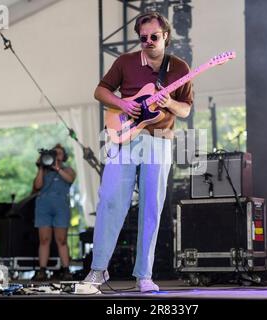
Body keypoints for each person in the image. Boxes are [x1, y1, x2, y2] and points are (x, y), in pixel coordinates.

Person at [83, 12, 193, 292]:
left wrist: (169, 102)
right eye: (143, 38)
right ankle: (98, 271)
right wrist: (122, 104)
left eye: (154, 37)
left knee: (152, 207)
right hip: (124, 139)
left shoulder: (180, 68)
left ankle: (144, 275)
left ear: (166, 36)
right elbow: (100, 91)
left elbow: (186, 109)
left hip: (159, 140)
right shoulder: (125, 62)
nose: (148, 41)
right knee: (109, 200)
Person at [31, 144, 76, 281]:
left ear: (64, 157)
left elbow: (70, 179)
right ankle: (42, 270)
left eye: (60, 153)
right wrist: (40, 167)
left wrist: (57, 168)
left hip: (61, 207)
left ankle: (66, 269)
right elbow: (37, 186)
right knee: (44, 240)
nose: (57, 155)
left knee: (61, 240)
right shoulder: (44, 171)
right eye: (54, 153)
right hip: (43, 206)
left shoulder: (68, 170)